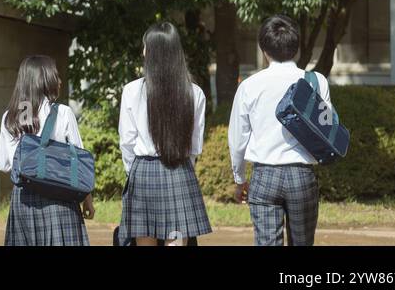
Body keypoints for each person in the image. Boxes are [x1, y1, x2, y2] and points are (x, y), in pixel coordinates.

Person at [228, 14, 331, 247]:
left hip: (264, 176)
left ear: (264, 49)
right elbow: (326, 130)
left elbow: (237, 139)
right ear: (296, 47)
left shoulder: (249, 86)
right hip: (302, 175)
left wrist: (240, 179)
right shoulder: (316, 81)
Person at [118, 21, 211, 246]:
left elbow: (127, 142)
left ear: (149, 51)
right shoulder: (194, 93)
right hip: (179, 169)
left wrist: (135, 172)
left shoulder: (132, 91)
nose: (142, 51)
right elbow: (195, 145)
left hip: (143, 171)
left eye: (144, 46)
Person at [0, 54, 94, 246]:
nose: (59, 80)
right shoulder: (63, 113)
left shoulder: (11, 116)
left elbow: (3, 164)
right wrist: (88, 200)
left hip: (23, 200)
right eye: (55, 75)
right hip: (60, 197)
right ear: (45, 80)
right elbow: (78, 161)